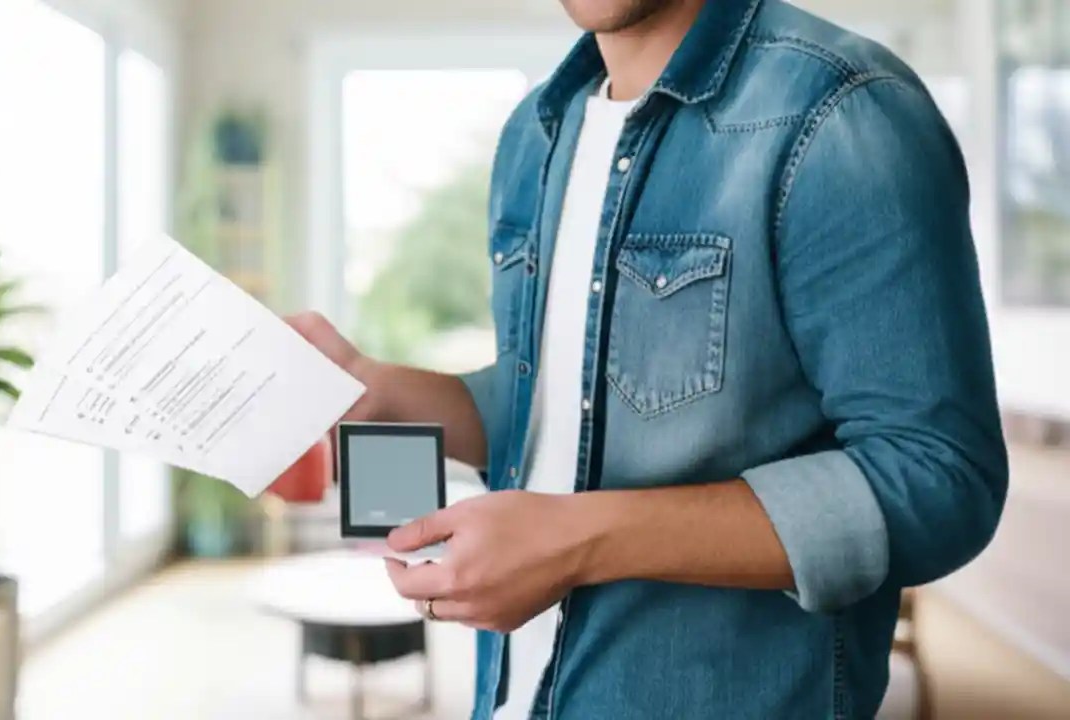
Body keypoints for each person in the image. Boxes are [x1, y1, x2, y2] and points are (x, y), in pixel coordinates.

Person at [287, 0, 1008, 717]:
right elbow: (552, 406)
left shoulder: (841, 112)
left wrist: (579, 542)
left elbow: (939, 483)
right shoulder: (536, 134)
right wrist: (374, 392)